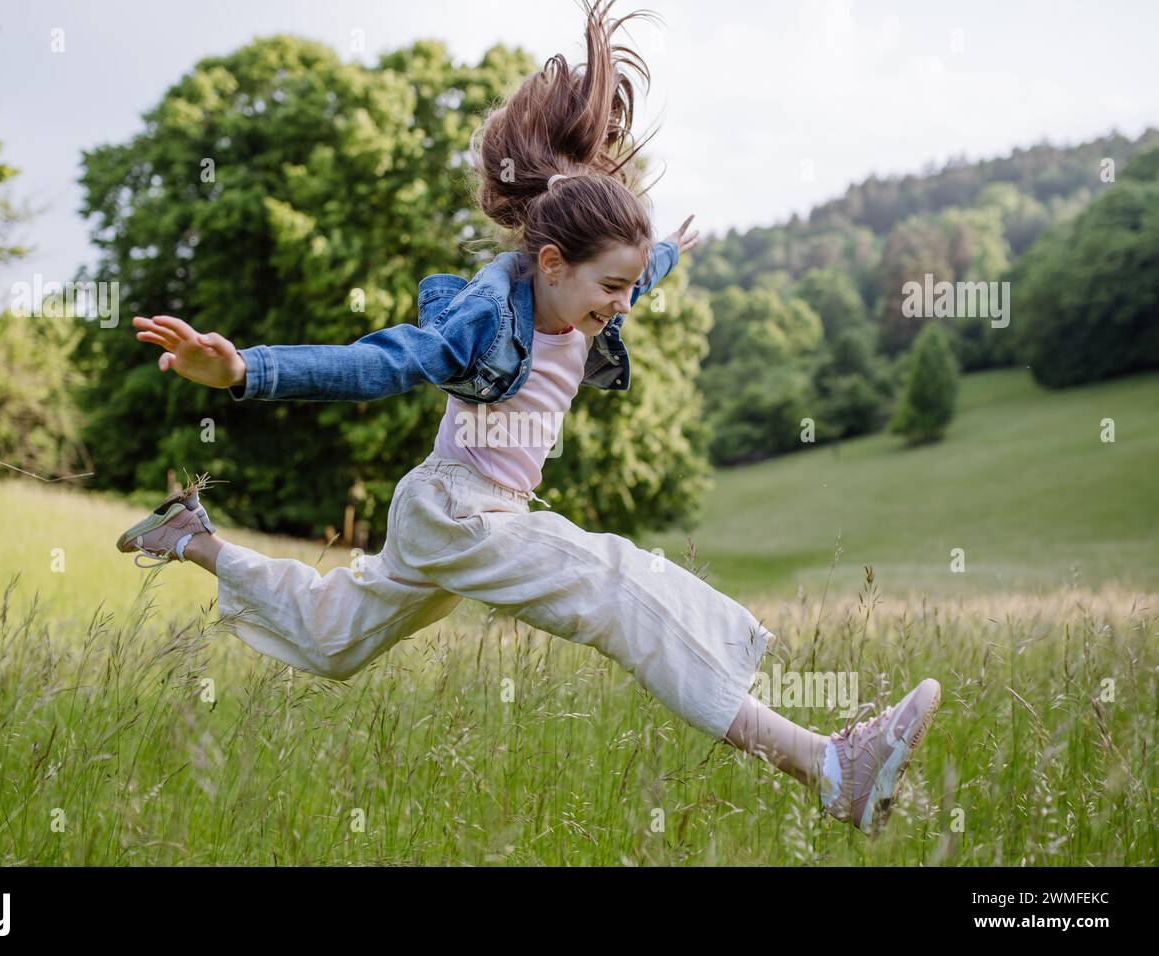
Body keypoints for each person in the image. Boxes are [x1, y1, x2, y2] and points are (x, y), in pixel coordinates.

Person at [118, 0, 940, 835]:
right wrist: (245, 369)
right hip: (457, 507)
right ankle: (830, 764)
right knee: (619, 586)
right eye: (611, 289)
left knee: (333, 639)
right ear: (550, 264)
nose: (622, 306)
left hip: (462, 514)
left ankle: (188, 537)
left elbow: (634, 268)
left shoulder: (585, 288)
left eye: (630, 286)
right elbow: (382, 361)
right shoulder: (485, 314)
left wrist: (666, 255)